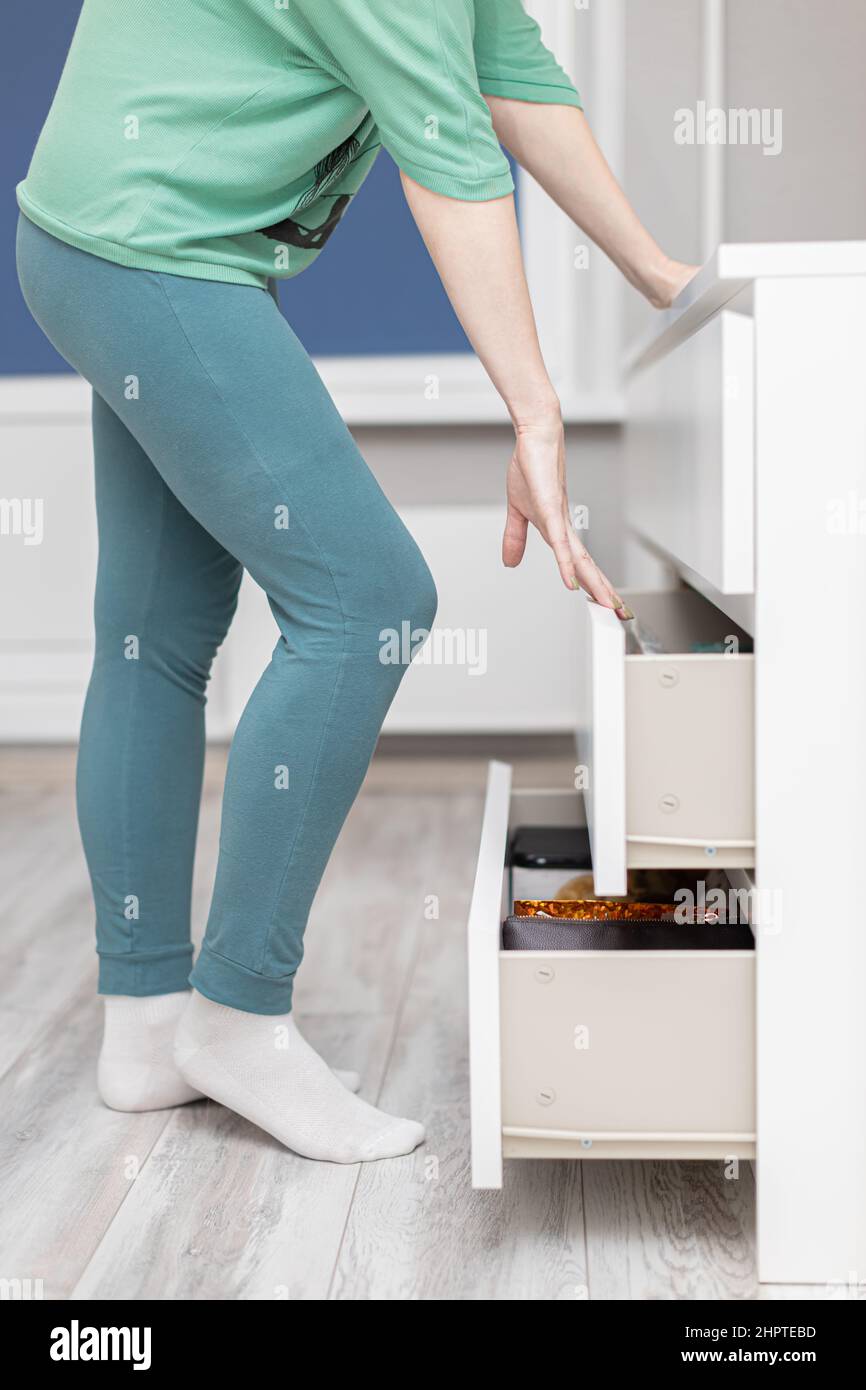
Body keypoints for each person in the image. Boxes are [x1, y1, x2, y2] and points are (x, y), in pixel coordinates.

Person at [15, 0, 696, 1164]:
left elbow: (505, 68)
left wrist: (658, 276)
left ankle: (144, 1026)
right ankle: (237, 1015)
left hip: (112, 240)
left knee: (153, 634)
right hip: (157, 250)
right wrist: (535, 411)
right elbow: (449, 157)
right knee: (368, 597)